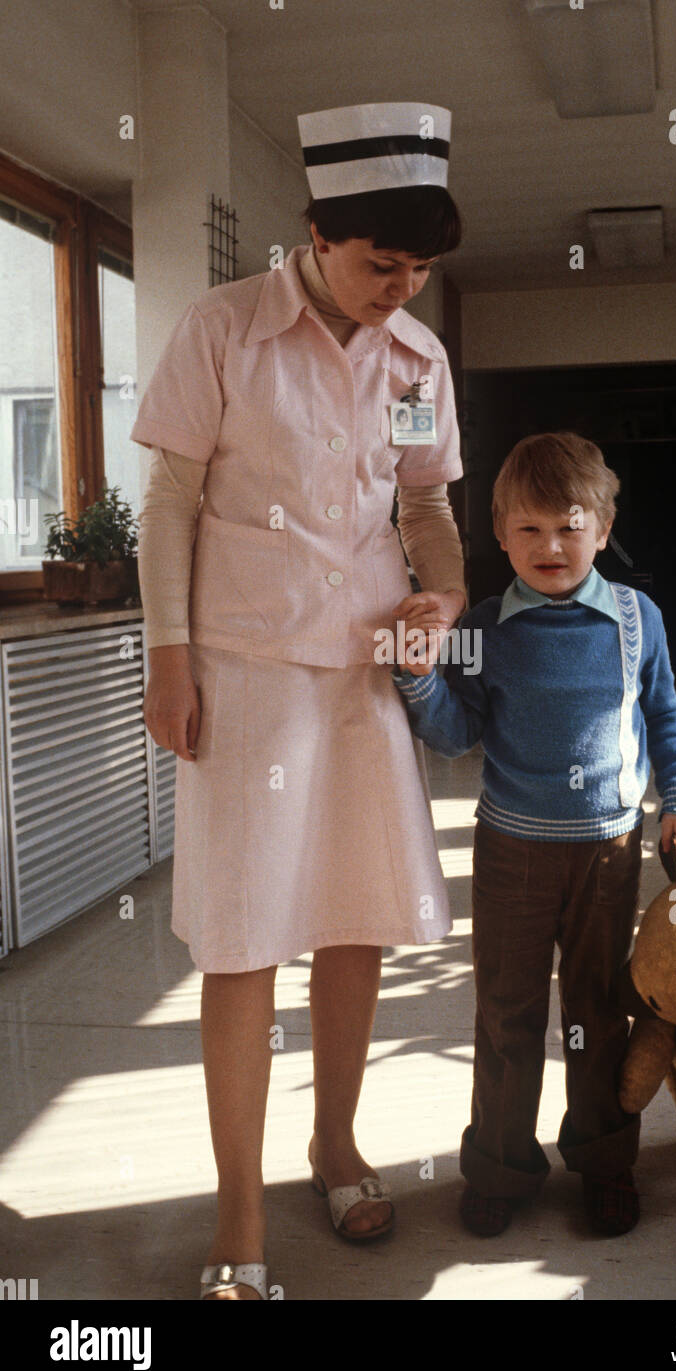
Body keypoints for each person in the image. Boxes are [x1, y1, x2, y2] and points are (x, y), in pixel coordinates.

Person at [131, 102, 467, 1298]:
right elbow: (170, 500)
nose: (399, 287)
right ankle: (237, 1215)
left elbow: (424, 503)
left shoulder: (416, 360)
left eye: (419, 268)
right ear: (315, 232)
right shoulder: (222, 331)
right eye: (382, 262)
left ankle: (336, 1142)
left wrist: (448, 590)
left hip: (363, 670)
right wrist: (167, 659)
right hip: (245, 669)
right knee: (241, 935)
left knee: (354, 917)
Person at [391, 431, 676, 1237]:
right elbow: (458, 733)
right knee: (506, 1012)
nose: (551, 546)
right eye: (528, 530)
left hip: (610, 852)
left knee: (600, 1012)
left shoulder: (639, 621)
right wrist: (419, 678)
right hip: (510, 855)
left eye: (570, 526)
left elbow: (666, 717)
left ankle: (605, 1164)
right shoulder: (489, 626)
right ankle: (501, 1167)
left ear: (603, 527)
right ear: (498, 535)